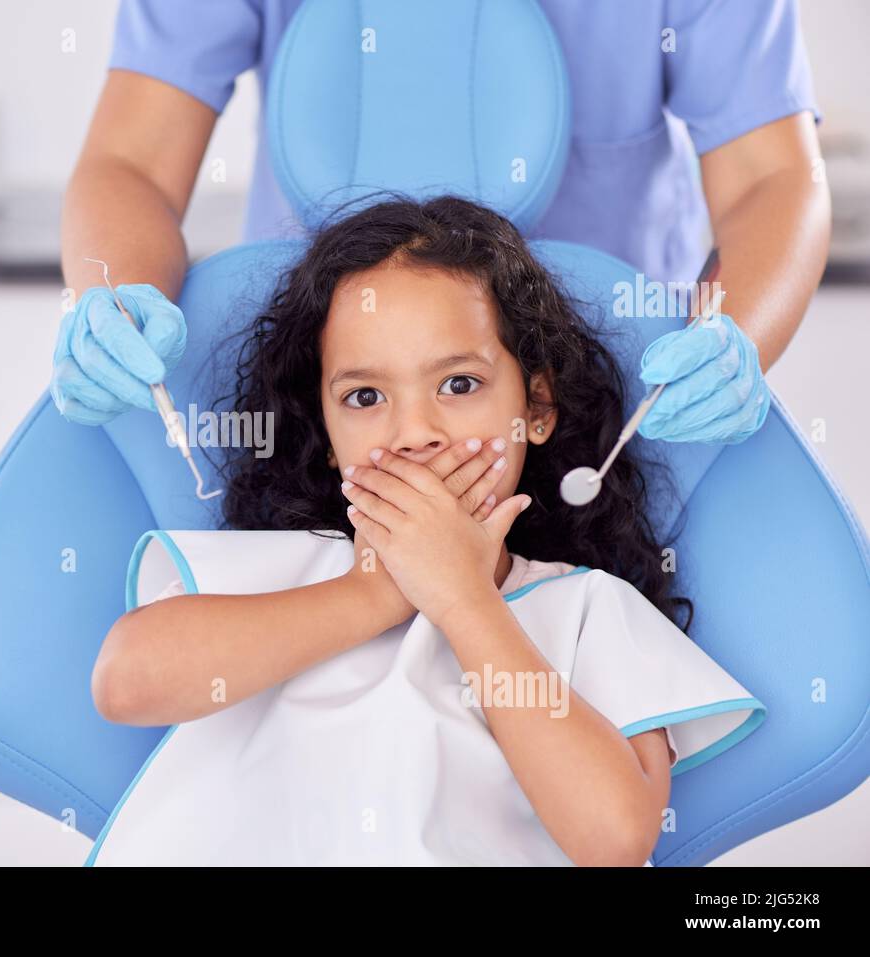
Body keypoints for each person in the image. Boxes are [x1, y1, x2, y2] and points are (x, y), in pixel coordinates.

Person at [85, 195, 765, 866]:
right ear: (326, 436)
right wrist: (376, 594)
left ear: (536, 405)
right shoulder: (281, 570)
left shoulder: (589, 610)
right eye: (365, 397)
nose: (414, 434)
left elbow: (616, 839)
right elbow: (126, 683)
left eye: (459, 384)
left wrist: (462, 598)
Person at [52, 0, 830, 446]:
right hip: (321, 418)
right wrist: (116, 301)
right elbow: (134, 163)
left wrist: (733, 341)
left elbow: (773, 178)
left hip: (618, 405)